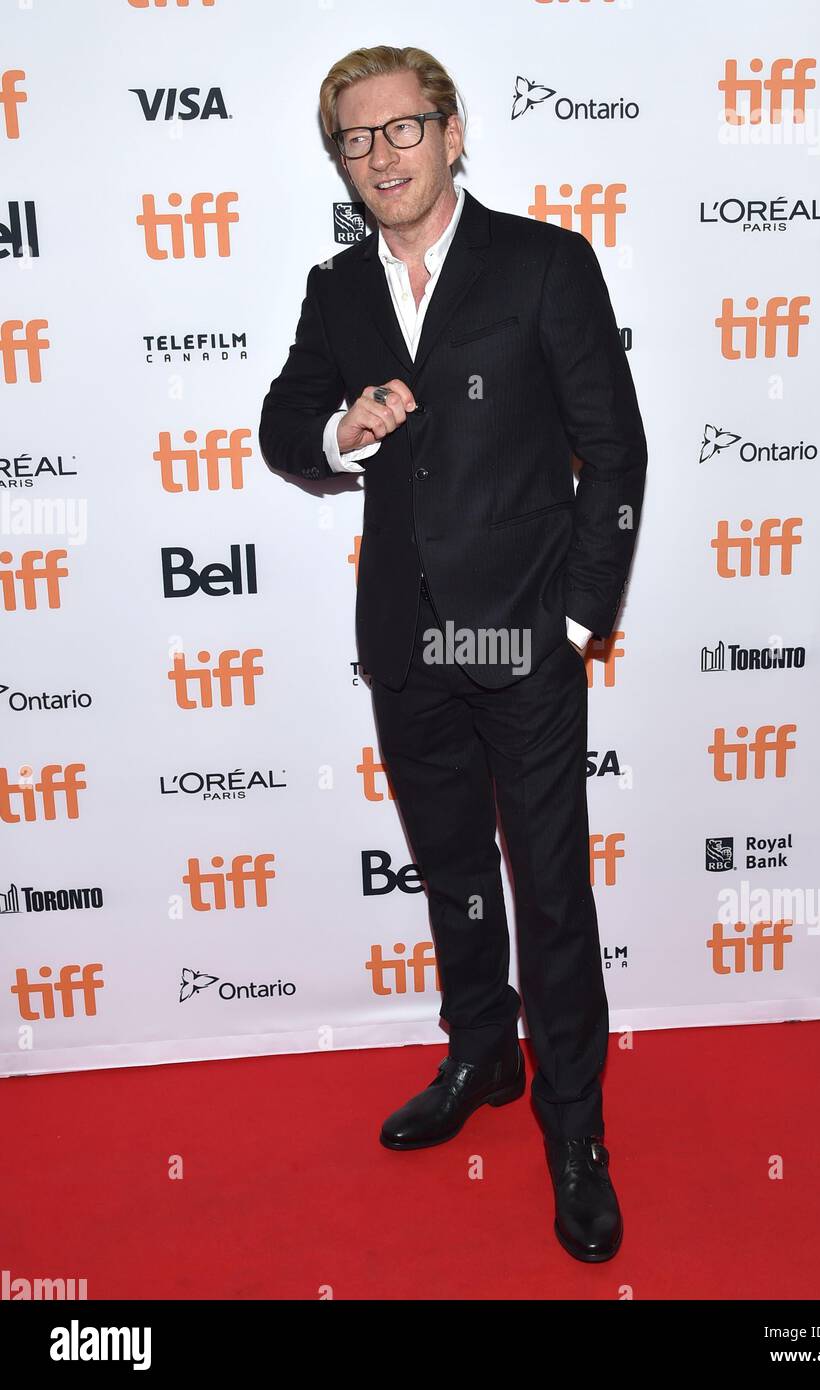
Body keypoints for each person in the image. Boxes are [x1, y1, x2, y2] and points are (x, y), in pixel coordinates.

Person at [259, 44, 648, 1262]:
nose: (380, 156)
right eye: (354, 140)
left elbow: (615, 453)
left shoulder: (542, 263)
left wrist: (577, 623)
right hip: (407, 644)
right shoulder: (338, 290)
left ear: (453, 129)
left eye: (401, 129)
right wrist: (341, 424)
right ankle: (480, 1049)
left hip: (523, 639)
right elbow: (284, 426)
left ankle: (574, 1133)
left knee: (552, 892)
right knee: (451, 869)